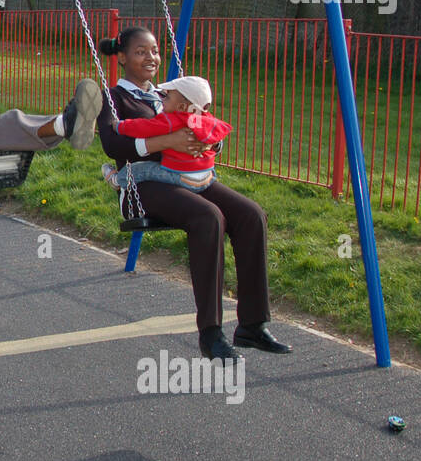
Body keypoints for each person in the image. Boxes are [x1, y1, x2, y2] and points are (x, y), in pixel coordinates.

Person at [96, 27, 291, 361]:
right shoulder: (112, 98)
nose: (151, 57)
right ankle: (211, 333)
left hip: (189, 176)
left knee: (251, 215)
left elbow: (208, 124)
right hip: (144, 187)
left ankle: (252, 325)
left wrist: (210, 141)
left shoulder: (173, 92)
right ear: (123, 56)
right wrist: (166, 142)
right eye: (141, 51)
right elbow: (114, 143)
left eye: (155, 50)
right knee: (209, 217)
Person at [102, 75, 231, 194]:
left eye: (167, 97)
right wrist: (211, 144)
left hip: (180, 176)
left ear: (181, 107)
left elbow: (144, 127)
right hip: (207, 176)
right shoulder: (207, 120)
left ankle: (117, 180)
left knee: (141, 169)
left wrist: (121, 126)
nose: (163, 99)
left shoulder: (171, 120)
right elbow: (220, 133)